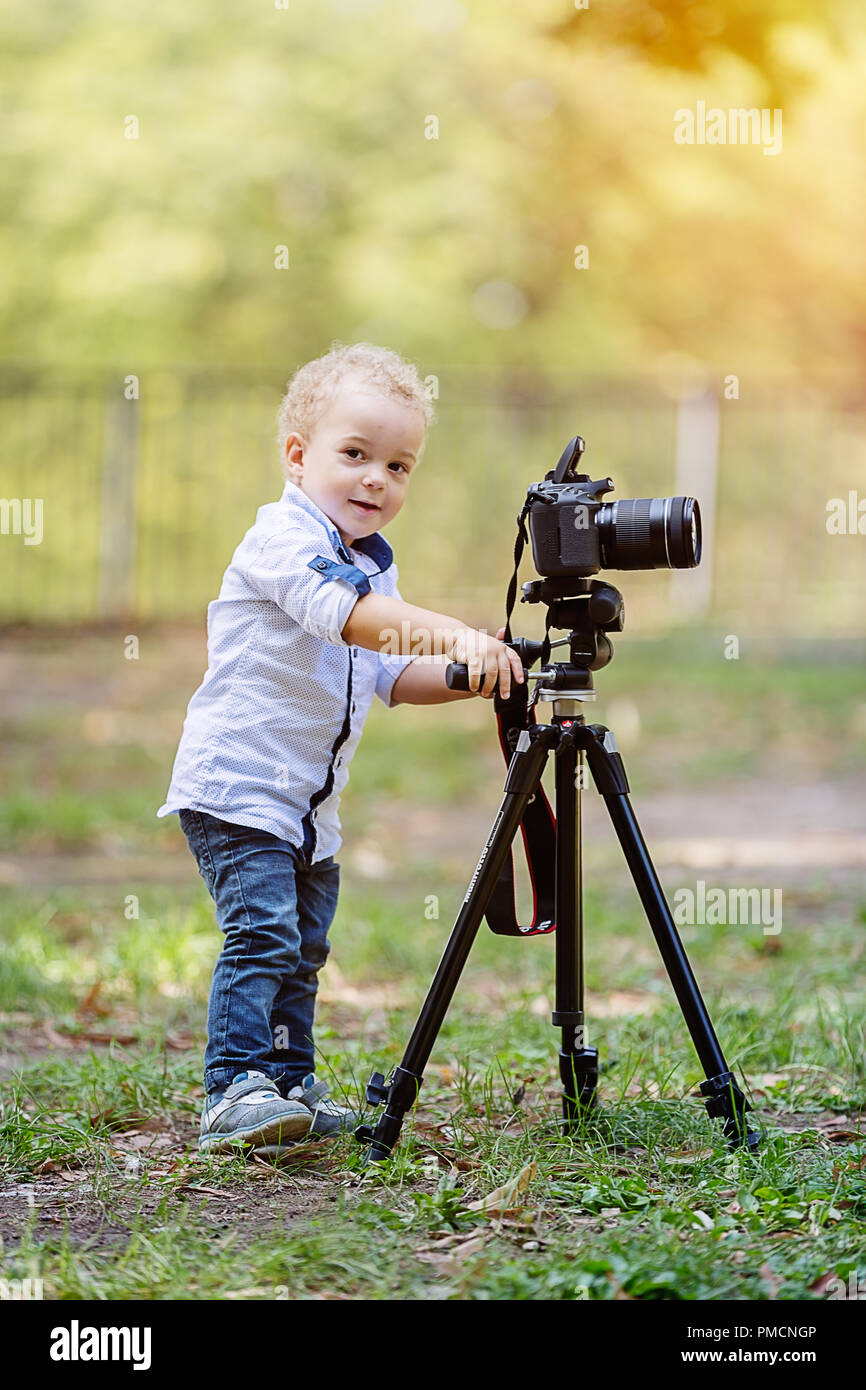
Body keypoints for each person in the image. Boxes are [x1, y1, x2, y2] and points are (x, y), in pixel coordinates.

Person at [157, 341, 524, 1152]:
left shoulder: (372, 568)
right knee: (265, 935)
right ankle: (233, 1088)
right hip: (239, 789)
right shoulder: (282, 544)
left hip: (307, 810)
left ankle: (288, 1084)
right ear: (297, 456)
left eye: (399, 466)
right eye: (355, 455)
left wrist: (474, 669)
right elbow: (353, 621)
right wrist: (456, 630)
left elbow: (395, 674)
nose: (376, 480)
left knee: (306, 947)